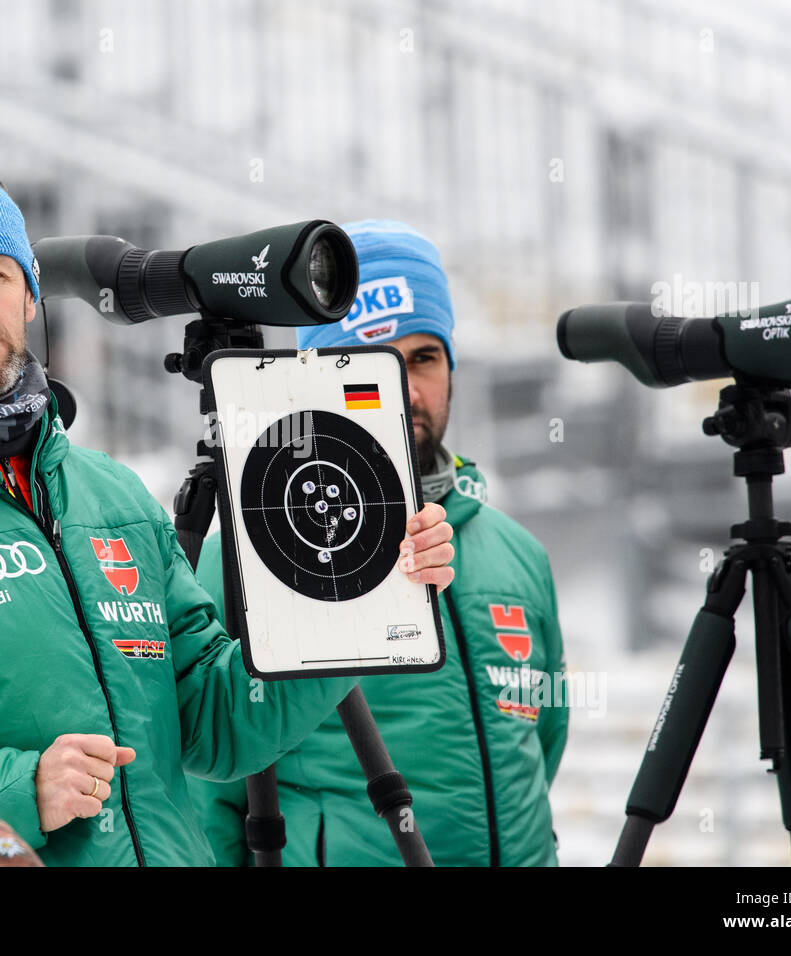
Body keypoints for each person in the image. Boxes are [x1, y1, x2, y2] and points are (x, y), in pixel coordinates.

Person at [0, 171, 454, 867]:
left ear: (30, 296)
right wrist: (11, 796)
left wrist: (364, 591)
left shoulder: (111, 495)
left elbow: (217, 725)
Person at [186, 220, 568, 866]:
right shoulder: (243, 554)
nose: (409, 391)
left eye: (425, 357)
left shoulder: (517, 552)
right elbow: (209, 799)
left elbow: (543, 744)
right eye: (380, 362)